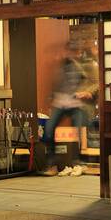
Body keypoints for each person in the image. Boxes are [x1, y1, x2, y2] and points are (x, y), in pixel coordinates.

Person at [41, 44, 97, 177]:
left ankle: (78, 164)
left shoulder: (87, 65)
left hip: (77, 103)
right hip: (60, 102)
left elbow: (96, 82)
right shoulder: (61, 66)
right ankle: (53, 164)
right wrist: (52, 98)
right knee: (48, 131)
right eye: (67, 51)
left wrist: (87, 92)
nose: (69, 54)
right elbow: (56, 84)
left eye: (73, 51)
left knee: (78, 132)